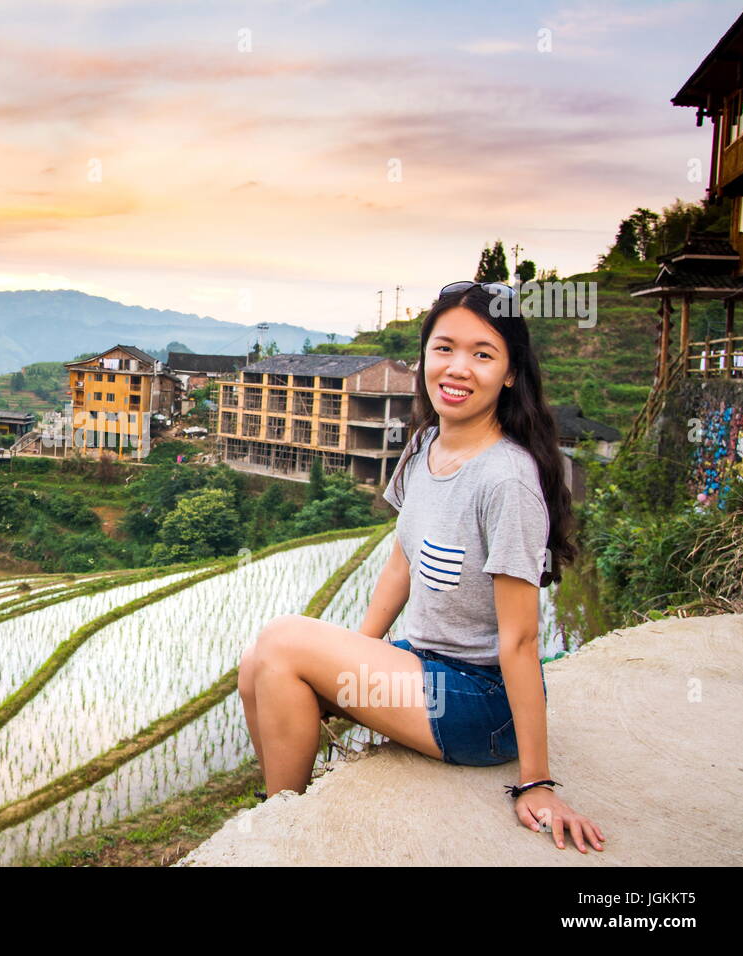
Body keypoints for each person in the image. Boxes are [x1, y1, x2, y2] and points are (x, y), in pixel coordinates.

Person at [237, 280, 605, 854]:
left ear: (510, 373)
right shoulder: (425, 443)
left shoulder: (505, 480)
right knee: (256, 662)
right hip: (423, 666)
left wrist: (536, 782)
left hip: (481, 701)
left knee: (282, 639)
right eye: (445, 348)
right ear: (425, 357)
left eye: (482, 354)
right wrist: (351, 665)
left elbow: (521, 638)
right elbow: (400, 563)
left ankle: (283, 838)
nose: (458, 368)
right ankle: (281, 803)